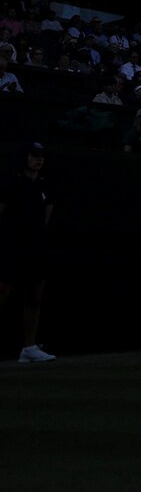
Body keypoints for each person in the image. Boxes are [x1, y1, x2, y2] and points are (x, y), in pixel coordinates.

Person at [1, 143, 56, 362]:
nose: (38, 160)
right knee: (2, 292)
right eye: (34, 156)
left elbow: (46, 216)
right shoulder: (12, 183)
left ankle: (29, 348)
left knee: (34, 296)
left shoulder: (44, 186)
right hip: (11, 246)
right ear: (25, 158)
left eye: (41, 156)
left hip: (35, 248)